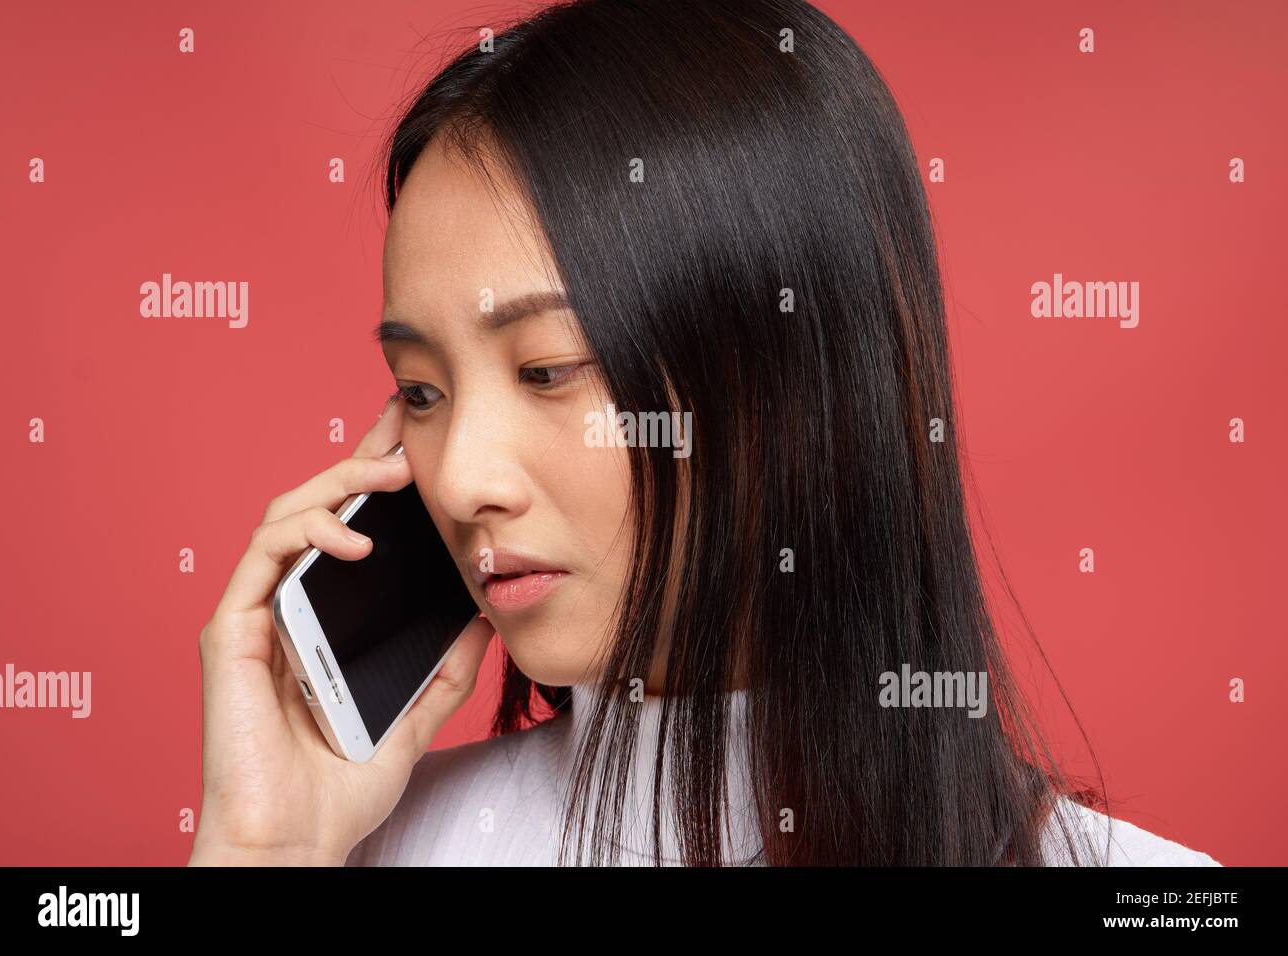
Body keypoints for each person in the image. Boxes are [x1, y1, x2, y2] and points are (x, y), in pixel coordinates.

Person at [189, 0, 1220, 867]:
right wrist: (253, 849)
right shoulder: (361, 848)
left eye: (546, 368)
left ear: (784, 377)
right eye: (420, 391)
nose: (458, 481)